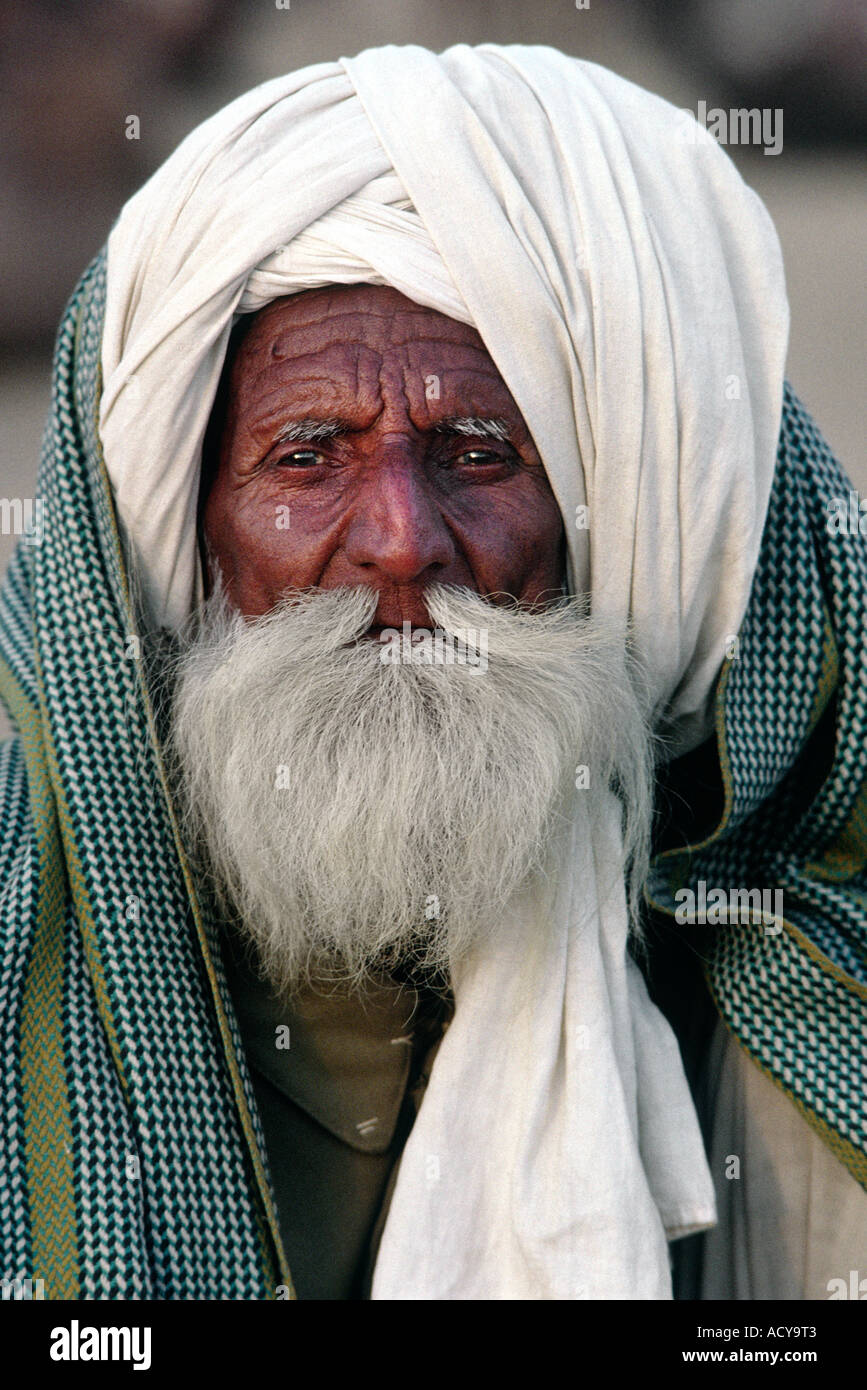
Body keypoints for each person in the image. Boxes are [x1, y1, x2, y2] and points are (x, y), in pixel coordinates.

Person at [0, 43, 864, 1301]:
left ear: (618, 520)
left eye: (477, 452)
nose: (402, 539)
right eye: (307, 457)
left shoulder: (800, 932)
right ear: (185, 525)